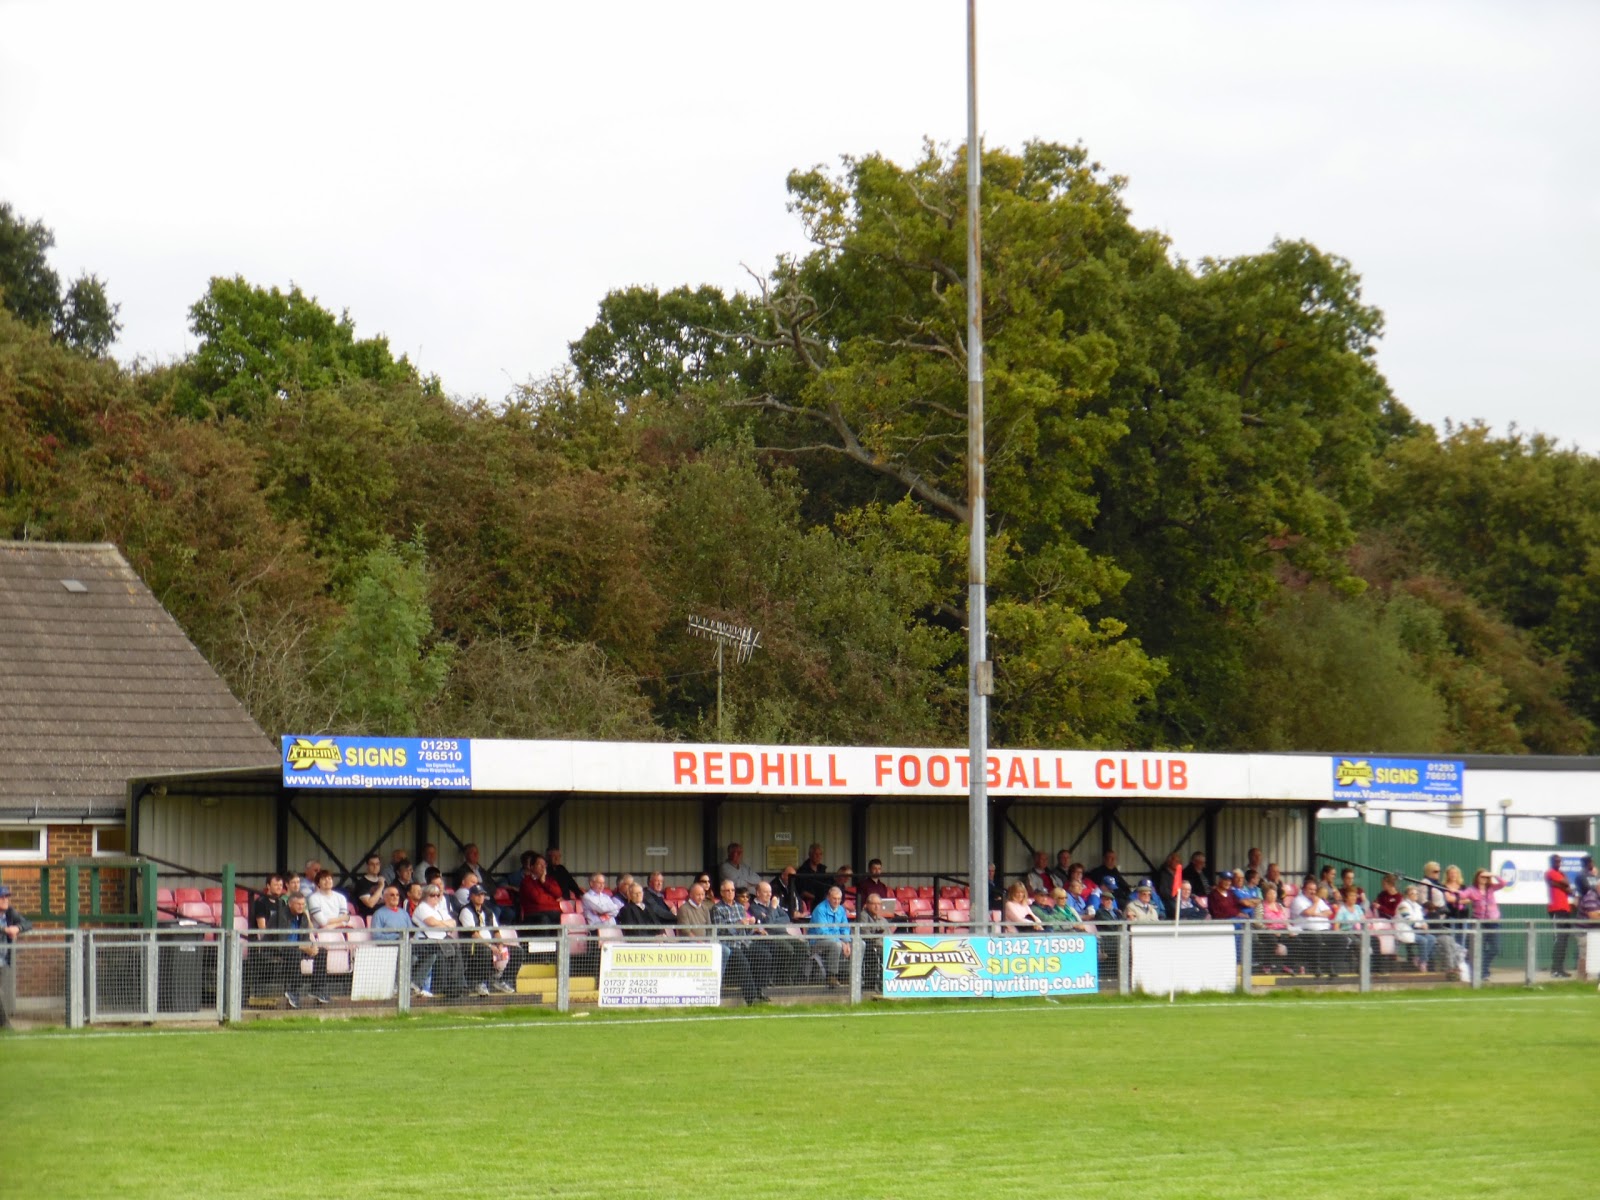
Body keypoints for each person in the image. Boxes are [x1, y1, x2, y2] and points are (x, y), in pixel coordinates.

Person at [711, 880, 770, 1004]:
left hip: (744, 942)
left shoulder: (739, 907)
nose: (731, 893)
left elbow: (745, 930)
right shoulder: (717, 909)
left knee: (764, 955)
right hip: (729, 944)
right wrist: (738, 924)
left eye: (732, 890)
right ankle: (751, 998)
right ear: (722, 893)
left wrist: (751, 926)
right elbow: (720, 930)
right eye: (727, 890)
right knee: (743, 963)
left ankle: (759, 990)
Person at [459, 885, 516, 995]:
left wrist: (499, 944)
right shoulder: (466, 911)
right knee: (486, 950)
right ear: (471, 896)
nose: (481, 897)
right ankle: (479, 983)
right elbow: (473, 933)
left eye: (483, 895)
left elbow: (496, 931)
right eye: (478, 895)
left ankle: (500, 980)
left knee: (517, 952)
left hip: (491, 943)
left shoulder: (488, 911)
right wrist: (490, 946)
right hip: (473, 944)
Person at [750, 881, 809, 985]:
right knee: (787, 949)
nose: (769, 895)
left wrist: (772, 919)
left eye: (770, 892)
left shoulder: (774, 905)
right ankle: (780, 978)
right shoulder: (754, 907)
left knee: (803, 947)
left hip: (782, 933)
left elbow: (786, 918)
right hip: (770, 936)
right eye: (765, 892)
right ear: (758, 893)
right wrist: (772, 909)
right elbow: (768, 925)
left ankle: (787, 976)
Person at [412, 883, 464, 998]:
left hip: (442, 939)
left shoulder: (438, 909)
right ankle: (439, 986)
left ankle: (456, 986)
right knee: (441, 953)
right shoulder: (422, 907)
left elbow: (453, 922)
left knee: (456, 951)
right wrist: (445, 925)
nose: (436, 897)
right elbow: (431, 923)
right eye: (432, 895)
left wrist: (441, 924)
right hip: (425, 941)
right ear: (426, 896)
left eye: (438, 895)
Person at [278, 892, 325, 1007]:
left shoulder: (303, 917)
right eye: (298, 904)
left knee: (322, 952)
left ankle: (316, 989)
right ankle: (293, 991)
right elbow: (282, 941)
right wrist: (304, 947)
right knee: (294, 953)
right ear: (290, 904)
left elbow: (305, 937)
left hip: (297, 948)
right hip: (279, 949)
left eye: (303, 904)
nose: (301, 907)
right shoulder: (282, 916)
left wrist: (311, 947)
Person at [1461, 868, 1506, 980]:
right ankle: (1482, 973)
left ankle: (1482, 968)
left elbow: (1503, 883)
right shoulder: (1472, 890)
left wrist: (1494, 874)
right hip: (1479, 922)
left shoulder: (1491, 888)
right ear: (1477, 877)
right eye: (1482, 876)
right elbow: (1463, 895)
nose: (1484, 879)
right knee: (1478, 948)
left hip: (1493, 922)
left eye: (1486, 877)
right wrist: (1455, 893)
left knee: (1495, 948)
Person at [1290, 879, 1334, 977]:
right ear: (1304, 889)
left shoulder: (1318, 899)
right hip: (1304, 930)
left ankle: (1330, 965)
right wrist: (1315, 904)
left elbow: (1329, 912)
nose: (1313, 892)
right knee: (1316, 939)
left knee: (1339, 939)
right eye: (1310, 889)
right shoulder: (1298, 900)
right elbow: (1307, 913)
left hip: (1323, 930)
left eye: (1314, 890)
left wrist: (1316, 914)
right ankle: (1315, 967)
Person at [0, 885, 31, 1027]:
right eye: (2, 897)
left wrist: (17, 928)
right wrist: (5, 930)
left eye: (7, 897)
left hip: (3, 961)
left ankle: (4, 1025)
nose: (5, 900)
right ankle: (5, 1025)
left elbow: (28, 923)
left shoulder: (10, 913)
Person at [809, 885, 852, 986]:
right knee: (836, 944)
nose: (836, 901)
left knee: (860, 944)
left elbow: (845, 928)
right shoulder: (820, 909)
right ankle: (831, 977)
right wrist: (840, 941)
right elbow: (822, 932)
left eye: (839, 899)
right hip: (817, 942)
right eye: (834, 898)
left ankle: (850, 975)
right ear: (828, 897)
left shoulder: (841, 910)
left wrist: (847, 942)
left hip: (837, 940)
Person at [1394, 885, 1436, 972]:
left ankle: (1420, 959)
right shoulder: (1402, 906)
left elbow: (1421, 919)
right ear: (1407, 895)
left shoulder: (1417, 906)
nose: (1415, 895)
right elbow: (1408, 920)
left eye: (1416, 893)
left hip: (1417, 931)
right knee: (1423, 940)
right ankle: (1423, 963)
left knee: (1432, 939)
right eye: (1412, 893)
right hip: (1405, 931)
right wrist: (1420, 925)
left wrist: (1424, 925)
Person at [1546, 853, 1576, 978]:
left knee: (1564, 940)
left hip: (1565, 909)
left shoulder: (1560, 873)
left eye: (1560, 861)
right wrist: (1563, 885)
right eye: (1556, 861)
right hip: (1556, 909)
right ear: (1552, 862)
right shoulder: (1550, 872)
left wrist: (1560, 885)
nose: (1558, 863)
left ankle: (1560, 969)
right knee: (1559, 939)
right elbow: (1565, 882)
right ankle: (1555, 969)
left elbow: (1568, 886)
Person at [857, 892, 893, 992]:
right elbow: (865, 934)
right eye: (874, 904)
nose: (877, 907)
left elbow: (890, 936)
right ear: (867, 904)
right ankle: (878, 983)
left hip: (885, 946)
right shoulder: (863, 917)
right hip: (871, 946)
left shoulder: (883, 920)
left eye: (879, 904)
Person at [517, 855, 563, 926]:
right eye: (540, 865)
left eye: (544, 864)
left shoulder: (550, 880)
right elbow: (539, 899)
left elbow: (558, 893)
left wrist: (544, 882)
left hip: (553, 911)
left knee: (561, 917)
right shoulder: (527, 882)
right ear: (531, 867)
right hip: (533, 913)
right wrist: (553, 899)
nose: (543, 867)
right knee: (544, 919)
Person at [351, 854, 388, 919]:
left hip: (386, 916)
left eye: (377, 864)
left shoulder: (383, 881)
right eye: (372, 864)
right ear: (367, 866)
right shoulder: (362, 883)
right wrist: (381, 887)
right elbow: (370, 904)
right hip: (370, 917)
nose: (375, 866)